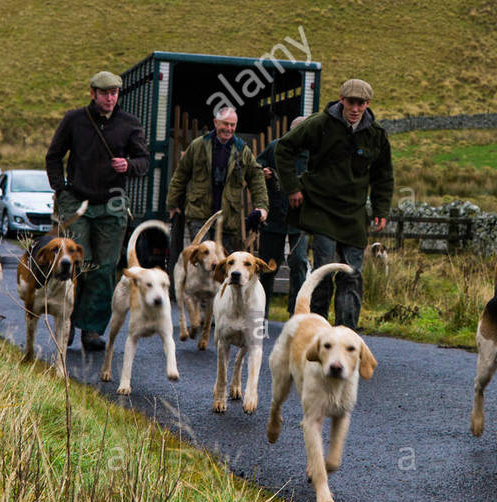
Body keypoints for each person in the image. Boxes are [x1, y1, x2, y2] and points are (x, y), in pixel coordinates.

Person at [276, 78, 393, 330]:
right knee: (324, 272)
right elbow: (284, 148)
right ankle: (317, 330)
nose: (355, 108)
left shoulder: (376, 136)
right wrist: (292, 188)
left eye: (360, 103)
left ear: (367, 104)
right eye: (350, 102)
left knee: (352, 275)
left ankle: (345, 333)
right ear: (341, 100)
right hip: (321, 210)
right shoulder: (319, 124)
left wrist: (381, 210)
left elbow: (383, 175)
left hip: (353, 214)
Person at [45, 70, 150, 352]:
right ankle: (66, 323)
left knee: (105, 268)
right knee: (78, 263)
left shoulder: (130, 124)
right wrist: (61, 188)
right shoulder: (74, 120)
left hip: (112, 204)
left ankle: (92, 330)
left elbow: (144, 160)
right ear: (92, 93)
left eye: (114, 93)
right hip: (77, 201)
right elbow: (53, 156)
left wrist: (129, 165)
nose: (110, 98)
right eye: (104, 93)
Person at [166, 105, 268, 253]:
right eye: (225, 124)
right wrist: (172, 204)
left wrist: (262, 206)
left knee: (222, 264)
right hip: (199, 215)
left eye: (232, 125)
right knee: (203, 259)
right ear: (215, 123)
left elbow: (257, 178)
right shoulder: (198, 146)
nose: (229, 129)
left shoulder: (242, 150)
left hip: (227, 218)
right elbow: (180, 175)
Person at [257, 115, 309, 317]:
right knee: (268, 265)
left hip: (300, 217)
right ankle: (261, 312)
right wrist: (264, 171)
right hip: (275, 215)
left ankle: (296, 313)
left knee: (299, 262)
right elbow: (256, 166)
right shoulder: (274, 147)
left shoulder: (313, 153)